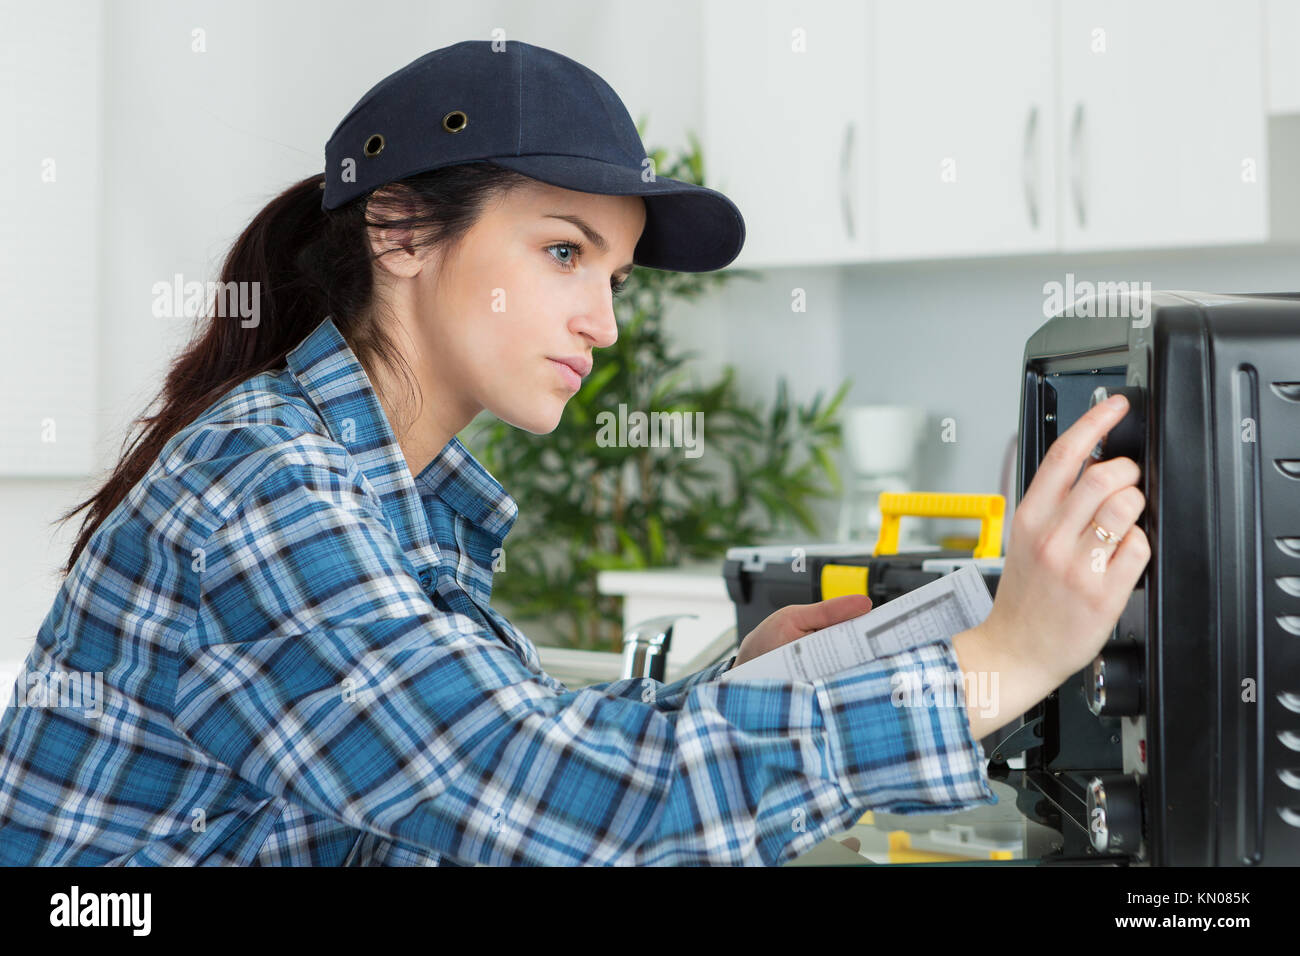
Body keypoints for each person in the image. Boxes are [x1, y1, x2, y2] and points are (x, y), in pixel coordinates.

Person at [0, 40, 1147, 866]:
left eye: (614, 274)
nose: (602, 320)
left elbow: (455, 778)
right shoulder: (269, 485)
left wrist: (739, 679)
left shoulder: (392, 494)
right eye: (562, 251)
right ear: (399, 232)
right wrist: (998, 665)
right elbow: (534, 799)